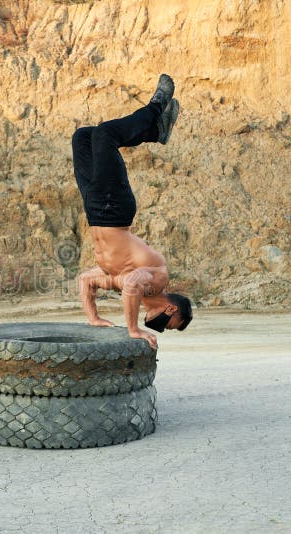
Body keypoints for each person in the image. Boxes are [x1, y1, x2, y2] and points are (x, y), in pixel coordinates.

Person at [72, 74, 192, 349]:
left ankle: (154, 132)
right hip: (114, 209)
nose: (163, 330)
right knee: (105, 134)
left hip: (95, 210)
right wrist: (134, 328)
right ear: (171, 310)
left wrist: (94, 318)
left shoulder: (123, 279)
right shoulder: (157, 280)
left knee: (83, 137)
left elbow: (86, 281)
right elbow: (133, 284)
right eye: (169, 327)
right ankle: (156, 106)